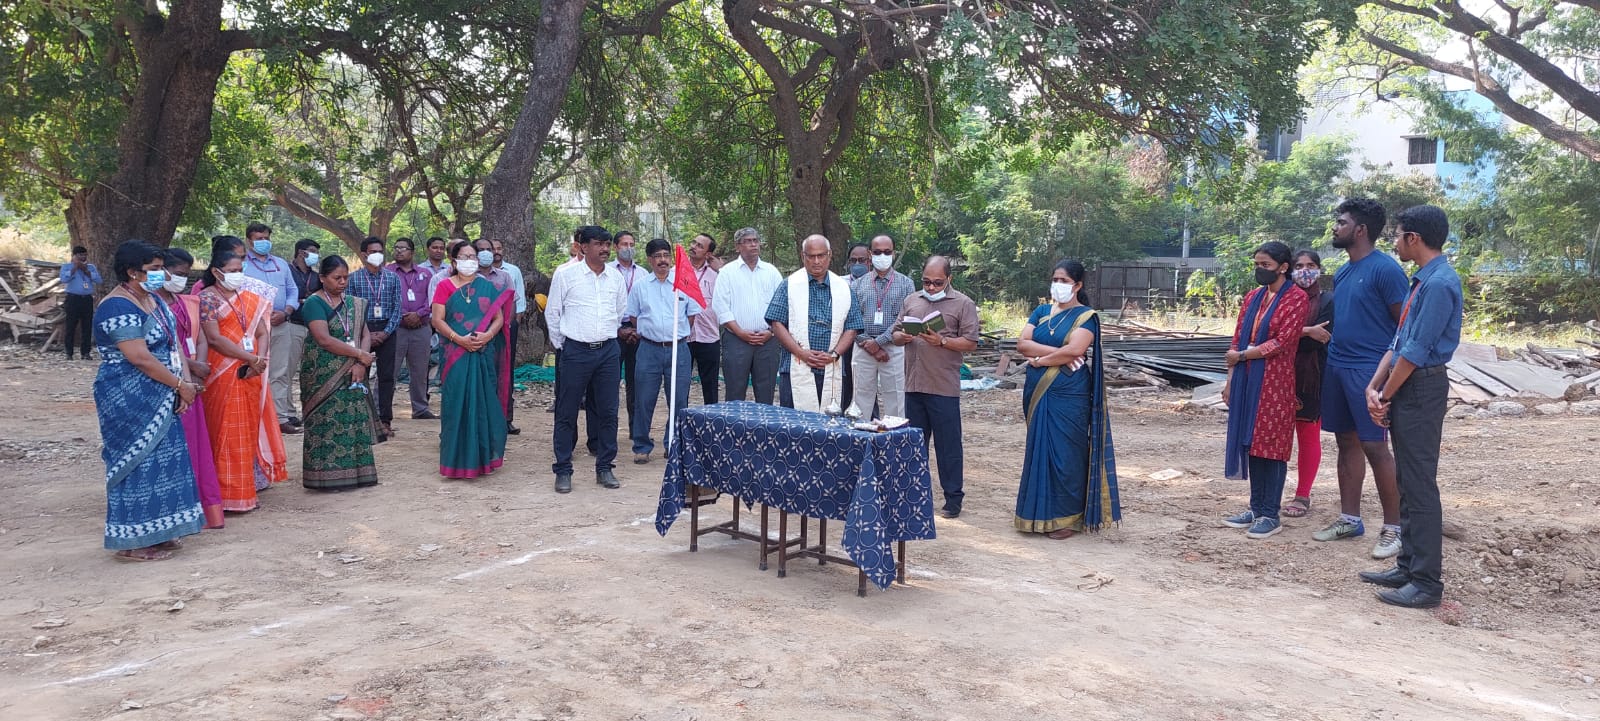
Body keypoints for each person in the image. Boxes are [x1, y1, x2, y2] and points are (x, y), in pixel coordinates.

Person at [1360, 205, 1462, 609]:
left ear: (1414, 239)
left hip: (1420, 387)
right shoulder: (1421, 281)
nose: (1395, 243)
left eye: (1398, 235)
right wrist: (1375, 385)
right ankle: (1408, 565)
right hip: (1404, 383)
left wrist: (1385, 395)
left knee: (1419, 484)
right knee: (1407, 479)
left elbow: (1417, 352)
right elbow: (1398, 341)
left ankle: (1426, 583)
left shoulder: (1439, 284)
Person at [93, 240, 206, 561]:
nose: (161, 275)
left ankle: (161, 531)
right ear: (131, 272)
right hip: (129, 397)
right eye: (154, 270)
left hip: (165, 390)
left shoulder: (154, 300)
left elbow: (174, 345)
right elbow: (139, 356)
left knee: (166, 460)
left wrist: (184, 384)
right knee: (137, 463)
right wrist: (179, 385)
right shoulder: (116, 306)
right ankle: (132, 541)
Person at [1315, 199, 1409, 559]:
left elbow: (1404, 326)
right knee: (1346, 443)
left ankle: (1394, 528)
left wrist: (1386, 378)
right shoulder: (1343, 271)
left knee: (1375, 447)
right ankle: (1349, 519)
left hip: (1369, 371)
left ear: (1361, 229)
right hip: (1337, 366)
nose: (1335, 227)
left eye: (1341, 222)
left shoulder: (1386, 270)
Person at [1013, 260, 1120, 538]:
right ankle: (1037, 515)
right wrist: (1051, 357)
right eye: (1055, 279)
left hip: (1069, 393)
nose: (1058, 285)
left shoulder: (1086, 317)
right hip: (1037, 389)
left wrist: (1039, 360)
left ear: (1078, 285)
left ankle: (1068, 519)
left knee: (1066, 453)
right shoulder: (1040, 312)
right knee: (1040, 450)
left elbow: (1077, 349)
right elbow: (1022, 344)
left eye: (1064, 280)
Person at [1220, 242, 1311, 540]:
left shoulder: (1297, 299)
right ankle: (1256, 507)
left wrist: (1244, 356)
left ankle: (1270, 513)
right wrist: (1231, 380)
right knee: (1252, 443)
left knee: (1271, 447)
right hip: (1247, 380)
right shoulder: (1253, 297)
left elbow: (1283, 342)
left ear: (1283, 267)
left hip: (1275, 383)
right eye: (1257, 264)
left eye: (1266, 265)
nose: (1260, 270)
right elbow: (1237, 339)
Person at [199, 247, 289, 512]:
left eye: (240, 271)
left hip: (251, 373)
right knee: (225, 432)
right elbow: (214, 338)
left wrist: (259, 360)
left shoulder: (248, 298)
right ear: (216, 272)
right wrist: (249, 358)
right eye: (232, 272)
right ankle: (227, 495)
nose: (238, 276)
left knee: (247, 431)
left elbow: (262, 332)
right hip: (223, 373)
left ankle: (246, 488)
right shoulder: (207, 299)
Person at [893, 256, 980, 519]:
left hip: (943, 387)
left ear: (949, 279)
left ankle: (953, 500)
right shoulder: (911, 300)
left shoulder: (963, 304)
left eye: (937, 283)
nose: (931, 287)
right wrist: (902, 336)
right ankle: (914, 497)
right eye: (927, 282)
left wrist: (942, 342)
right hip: (914, 384)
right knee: (914, 445)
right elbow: (895, 333)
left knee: (948, 446)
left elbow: (971, 342)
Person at [547, 226, 625, 493]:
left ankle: (605, 467)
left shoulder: (615, 277)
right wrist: (564, 347)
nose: (604, 249)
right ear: (582, 247)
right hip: (575, 351)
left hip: (608, 351)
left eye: (607, 244)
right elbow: (553, 313)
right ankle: (563, 470)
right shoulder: (565, 274)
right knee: (566, 411)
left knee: (608, 411)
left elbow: (619, 311)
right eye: (598, 244)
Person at [431, 240, 515, 479]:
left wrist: (487, 335)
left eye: (473, 257)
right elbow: (438, 320)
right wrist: (459, 339)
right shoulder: (444, 286)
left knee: (483, 404)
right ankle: (455, 461)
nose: (469, 261)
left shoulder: (486, 286)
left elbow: (499, 317)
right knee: (456, 404)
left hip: (482, 352)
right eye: (464, 256)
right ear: (454, 261)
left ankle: (482, 459)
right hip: (455, 355)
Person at [157, 248, 225, 530]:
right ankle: (175, 508)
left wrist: (198, 364)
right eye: (178, 274)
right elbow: (161, 348)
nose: (182, 280)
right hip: (169, 377)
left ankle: (199, 507)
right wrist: (189, 367)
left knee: (196, 445)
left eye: (187, 275)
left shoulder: (187, 302)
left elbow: (198, 337)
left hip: (191, 377)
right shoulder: (152, 304)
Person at [300, 255, 381, 491]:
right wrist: (358, 355)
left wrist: (361, 362)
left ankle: (359, 475)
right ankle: (325, 478)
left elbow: (365, 334)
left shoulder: (353, 303)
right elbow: (323, 339)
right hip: (322, 374)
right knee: (326, 422)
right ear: (322, 278)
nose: (343, 282)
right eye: (337, 278)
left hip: (353, 370)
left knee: (353, 420)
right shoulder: (314, 303)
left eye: (345, 277)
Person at [767, 235, 864, 413]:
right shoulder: (788, 285)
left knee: (830, 426)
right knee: (794, 426)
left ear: (830, 255)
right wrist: (800, 352)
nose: (816, 261)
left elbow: (852, 326)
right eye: (811, 256)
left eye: (821, 255)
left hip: (831, 366)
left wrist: (834, 354)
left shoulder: (843, 288)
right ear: (803, 256)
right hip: (796, 365)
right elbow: (776, 322)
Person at [626, 239, 700, 463]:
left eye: (666, 255)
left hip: (679, 349)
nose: (662, 260)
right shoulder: (640, 286)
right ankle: (641, 445)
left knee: (678, 400)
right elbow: (633, 317)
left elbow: (691, 316)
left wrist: (675, 335)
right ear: (649, 260)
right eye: (657, 256)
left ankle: (673, 444)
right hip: (648, 349)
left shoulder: (683, 283)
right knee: (644, 399)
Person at [1284, 249, 1335, 518]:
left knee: (1307, 435)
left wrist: (1290, 335)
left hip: (1312, 376)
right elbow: (1273, 331)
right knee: (1276, 436)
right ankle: (1269, 493)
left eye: (1311, 265)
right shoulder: (1281, 299)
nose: (1305, 270)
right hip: (1279, 373)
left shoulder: (1328, 300)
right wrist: (1305, 332)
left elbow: (1324, 334)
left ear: (1319, 268)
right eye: (1300, 265)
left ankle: (1302, 494)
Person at [239, 222, 302, 435]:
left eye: (265, 237)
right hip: (252, 328)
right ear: (249, 240)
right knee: (253, 369)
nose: (262, 242)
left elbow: (293, 290)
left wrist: (287, 311)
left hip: (281, 323)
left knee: (281, 371)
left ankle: (280, 418)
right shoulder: (241, 265)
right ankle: (254, 416)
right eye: (258, 238)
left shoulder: (281, 264)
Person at [713, 227, 783, 404]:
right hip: (736, 341)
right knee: (735, 392)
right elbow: (721, 307)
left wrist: (771, 331)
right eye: (748, 241)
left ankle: (765, 431)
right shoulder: (727, 273)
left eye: (755, 241)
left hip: (768, 340)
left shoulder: (771, 272)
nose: (753, 244)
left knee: (766, 392)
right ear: (738, 247)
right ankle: (736, 431)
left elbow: (782, 305)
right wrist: (741, 333)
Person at [851, 235, 915, 418]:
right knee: (860, 398)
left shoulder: (906, 284)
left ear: (893, 253)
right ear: (870, 254)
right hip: (862, 348)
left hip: (894, 349)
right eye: (877, 252)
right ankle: (859, 441)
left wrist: (879, 342)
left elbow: (905, 319)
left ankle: (895, 440)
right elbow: (852, 318)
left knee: (896, 398)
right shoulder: (858, 285)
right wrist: (869, 344)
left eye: (887, 252)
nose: (882, 256)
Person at [349, 237, 402, 439]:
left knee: (387, 377)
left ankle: (385, 420)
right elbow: (352, 309)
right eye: (373, 251)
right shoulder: (353, 279)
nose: (378, 254)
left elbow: (398, 307)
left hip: (387, 330)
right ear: (364, 255)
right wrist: (366, 333)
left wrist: (386, 332)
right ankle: (363, 420)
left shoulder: (392, 278)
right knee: (360, 375)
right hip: (363, 330)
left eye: (380, 250)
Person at [388, 238, 438, 420]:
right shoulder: (388, 272)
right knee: (390, 368)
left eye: (403, 248)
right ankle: (382, 408)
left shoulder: (425, 273)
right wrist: (403, 315)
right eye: (396, 247)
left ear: (412, 252)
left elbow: (432, 298)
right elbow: (387, 298)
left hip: (421, 327)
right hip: (396, 328)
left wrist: (419, 314)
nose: (399, 251)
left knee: (420, 370)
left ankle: (420, 409)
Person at [281, 239, 323, 429]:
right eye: (312, 251)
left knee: (311, 372)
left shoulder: (316, 277)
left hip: (313, 327)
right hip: (292, 324)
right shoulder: (287, 272)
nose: (315, 256)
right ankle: (287, 413)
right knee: (286, 371)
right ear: (301, 252)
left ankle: (310, 410)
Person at [491, 239, 527, 434]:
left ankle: (506, 418)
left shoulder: (512, 271)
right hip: (482, 329)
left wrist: (512, 324)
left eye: (498, 248)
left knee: (506, 372)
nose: (495, 252)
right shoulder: (477, 274)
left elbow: (518, 301)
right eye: (491, 249)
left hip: (507, 326)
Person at [613, 231, 644, 431]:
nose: (628, 247)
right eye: (624, 244)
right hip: (613, 332)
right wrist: (618, 330)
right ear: (615, 247)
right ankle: (609, 428)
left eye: (632, 243)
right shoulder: (607, 271)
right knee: (610, 381)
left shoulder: (643, 273)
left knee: (637, 382)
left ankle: (636, 429)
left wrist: (638, 329)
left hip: (637, 332)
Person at [686, 233, 721, 405]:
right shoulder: (677, 272)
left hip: (709, 336)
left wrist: (721, 269)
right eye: (694, 242)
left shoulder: (718, 276)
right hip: (683, 336)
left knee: (710, 386)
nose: (694, 246)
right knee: (680, 384)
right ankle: (679, 425)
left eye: (700, 245)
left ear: (708, 254)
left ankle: (712, 425)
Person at [60, 245, 101, 360]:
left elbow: (98, 280)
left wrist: (86, 271)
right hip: (73, 299)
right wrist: (75, 268)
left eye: (84, 255)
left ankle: (85, 353)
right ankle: (69, 353)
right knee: (70, 326)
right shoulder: (66, 266)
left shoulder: (91, 267)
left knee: (87, 326)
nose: (83, 257)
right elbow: (64, 279)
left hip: (86, 299)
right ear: (74, 256)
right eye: (80, 255)